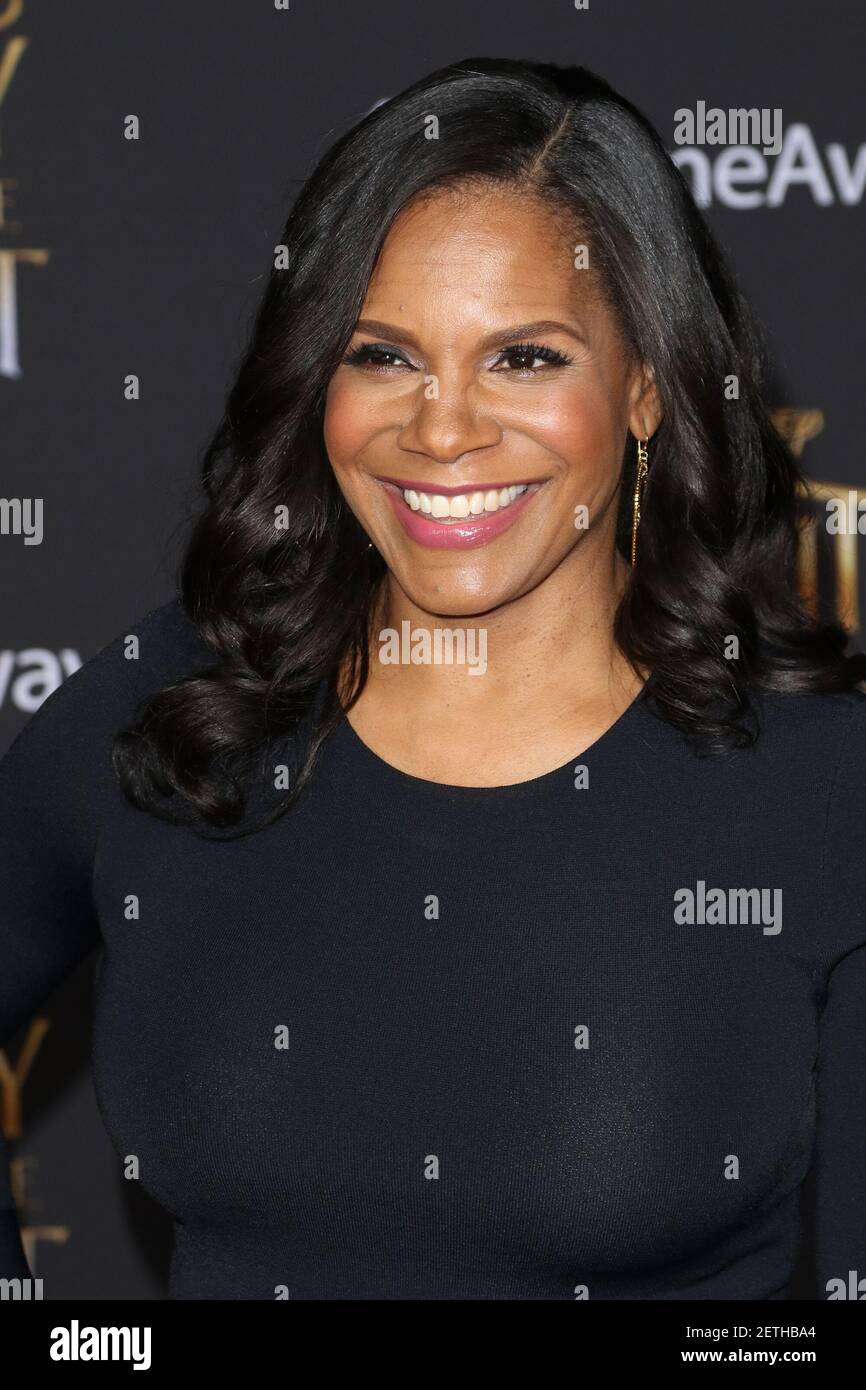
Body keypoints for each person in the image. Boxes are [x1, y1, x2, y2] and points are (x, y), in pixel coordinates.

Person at [1, 57, 864, 1301]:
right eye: (382, 354)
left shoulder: (818, 786)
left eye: (522, 358)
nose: (442, 429)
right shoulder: (181, 707)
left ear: (644, 388)